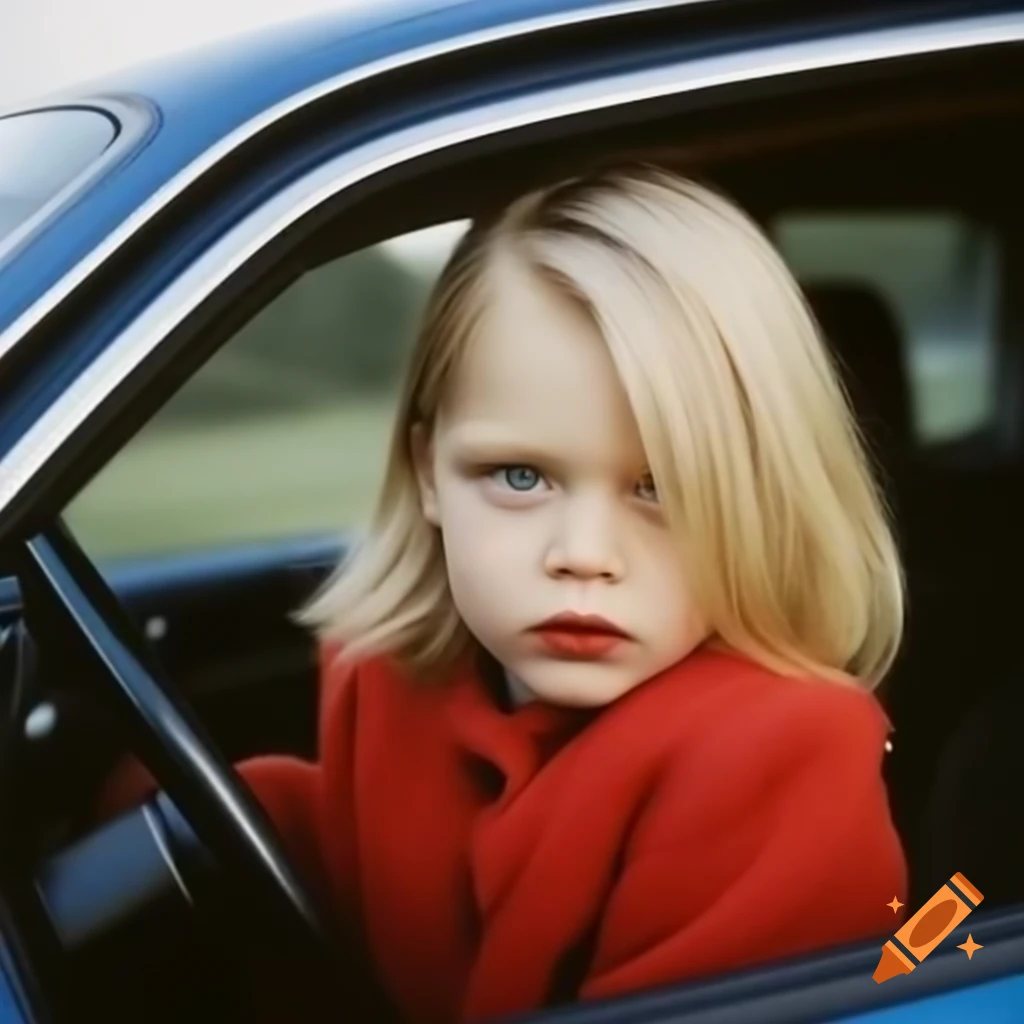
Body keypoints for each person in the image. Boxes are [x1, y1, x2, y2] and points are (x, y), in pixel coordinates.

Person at [99, 167, 907, 1023]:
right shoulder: (394, 679)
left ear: (763, 495)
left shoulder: (776, 754)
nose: (583, 555)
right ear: (429, 474)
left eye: (660, 488)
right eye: (520, 476)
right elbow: (352, 871)